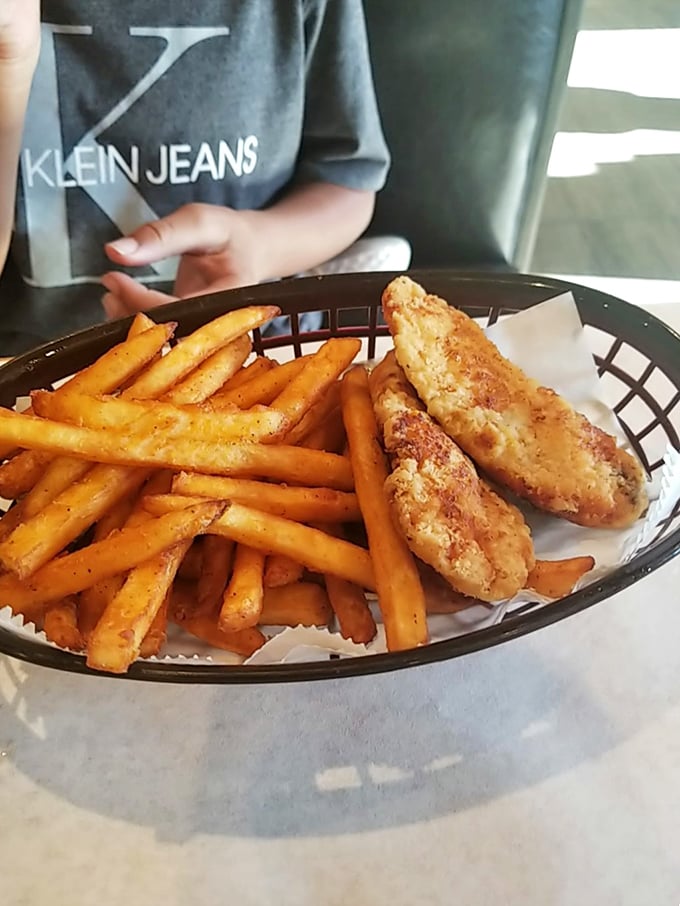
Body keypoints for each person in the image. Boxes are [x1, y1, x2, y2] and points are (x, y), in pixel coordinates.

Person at [0, 0, 395, 354]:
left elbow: (348, 180)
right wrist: (10, 62)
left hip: (268, 349)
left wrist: (258, 244)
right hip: (34, 364)